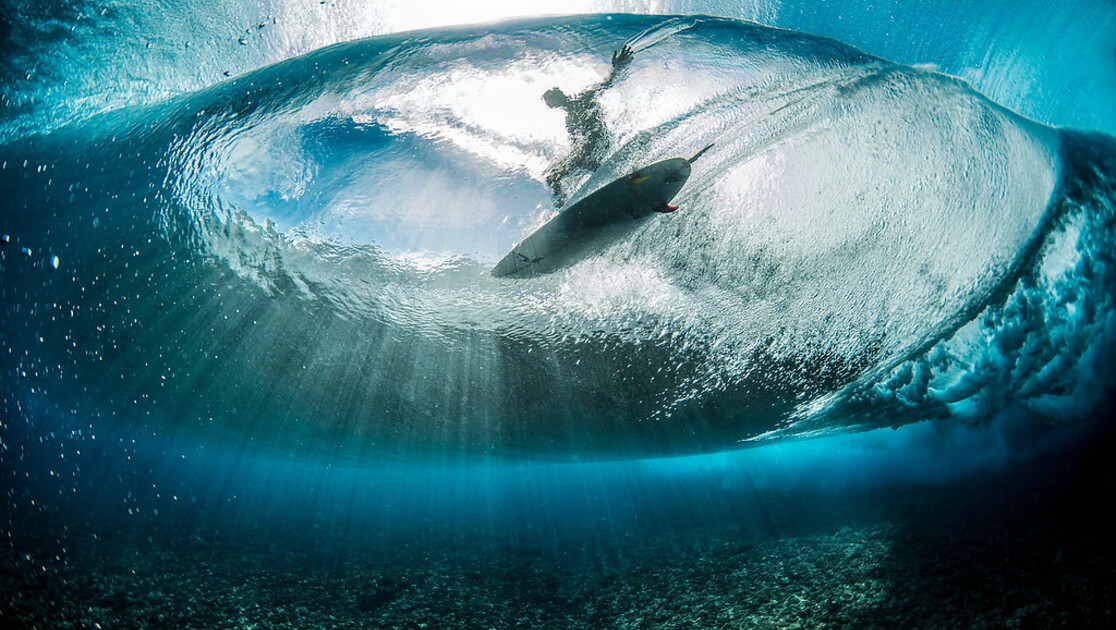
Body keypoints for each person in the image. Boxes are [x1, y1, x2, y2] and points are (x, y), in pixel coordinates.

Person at [543, 45, 634, 206]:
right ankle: (565, 207)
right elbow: (576, 142)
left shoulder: (584, 98)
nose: (551, 102)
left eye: (551, 96)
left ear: (560, 94)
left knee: (554, 175)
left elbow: (607, 83)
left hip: (598, 144)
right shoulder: (569, 118)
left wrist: (617, 67)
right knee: (552, 176)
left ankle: (626, 179)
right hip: (589, 151)